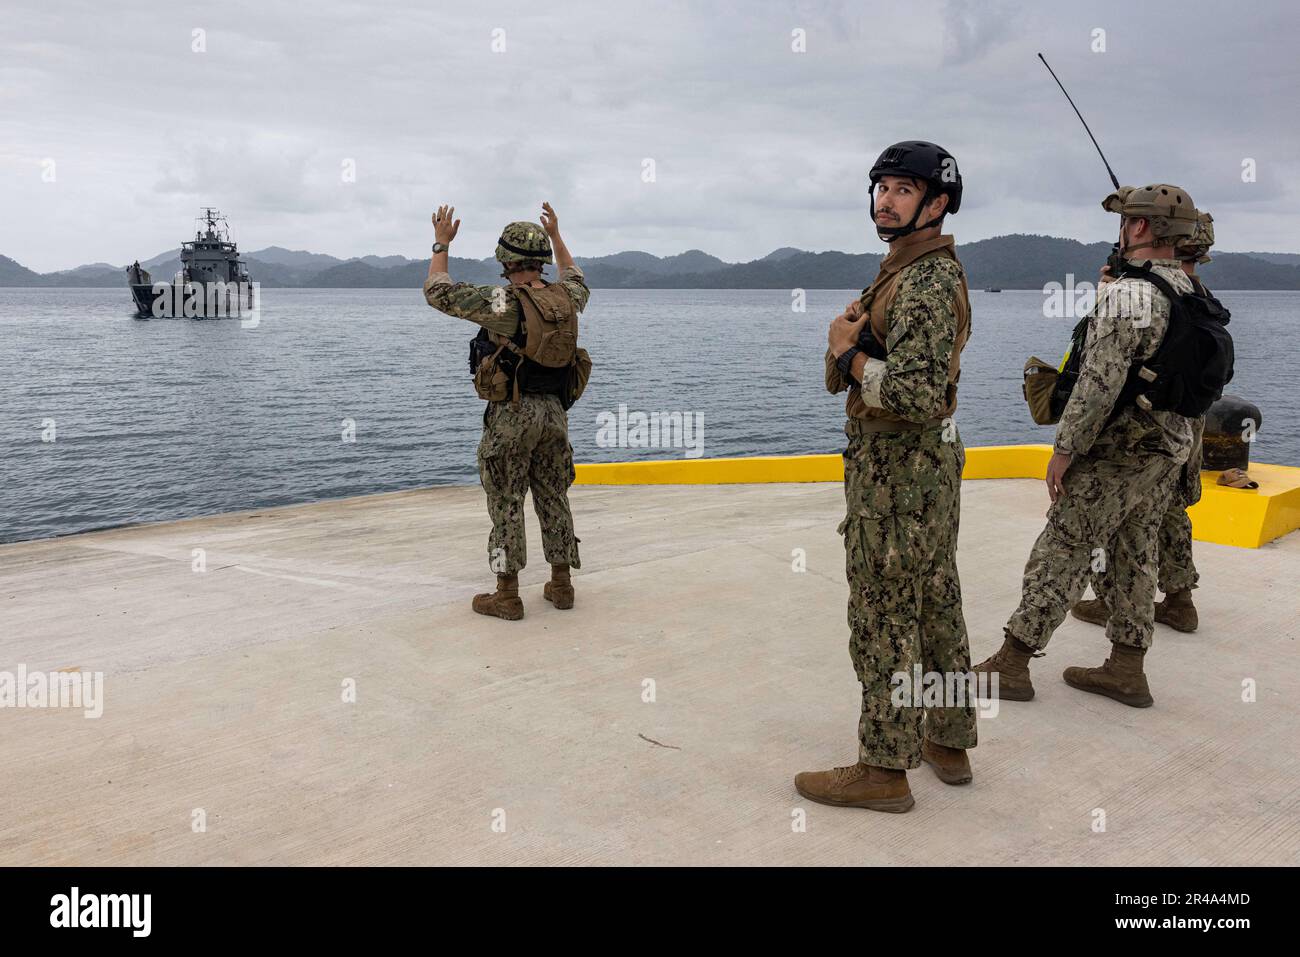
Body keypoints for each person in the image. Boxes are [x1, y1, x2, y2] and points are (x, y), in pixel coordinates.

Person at [795, 141, 975, 813]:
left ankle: (883, 767)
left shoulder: (924, 279)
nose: (885, 200)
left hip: (897, 469)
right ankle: (948, 739)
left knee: (881, 613)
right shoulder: (909, 272)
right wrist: (851, 345)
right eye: (881, 187)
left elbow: (918, 392)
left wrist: (847, 353)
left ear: (937, 202)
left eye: (903, 189)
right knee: (934, 598)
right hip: (928, 464)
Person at [974, 185, 1200, 708]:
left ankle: (1012, 663)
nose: (1121, 232)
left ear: (1140, 228)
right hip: (1167, 450)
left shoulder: (1129, 296)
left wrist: (1066, 449)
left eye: (1126, 223)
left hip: (1118, 453)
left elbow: (1098, 384)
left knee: (1064, 547)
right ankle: (1127, 668)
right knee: (1136, 553)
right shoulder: (1188, 291)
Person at [423, 202, 588, 620]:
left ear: (505, 259)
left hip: (512, 416)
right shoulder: (566, 298)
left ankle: (507, 593)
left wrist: (442, 242)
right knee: (554, 494)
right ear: (541, 259)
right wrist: (557, 235)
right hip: (555, 414)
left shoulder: (503, 303)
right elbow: (576, 277)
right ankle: (562, 585)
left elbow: (437, 292)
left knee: (506, 500)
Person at [1071, 211, 1216, 634]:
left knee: (1125, 518)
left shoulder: (1148, 292)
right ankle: (1179, 597)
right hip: (1188, 421)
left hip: (1145, 427)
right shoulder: (1197, 294)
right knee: (1169, 509)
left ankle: (1116, 598)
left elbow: (1107, 359)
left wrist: (1108, 291)